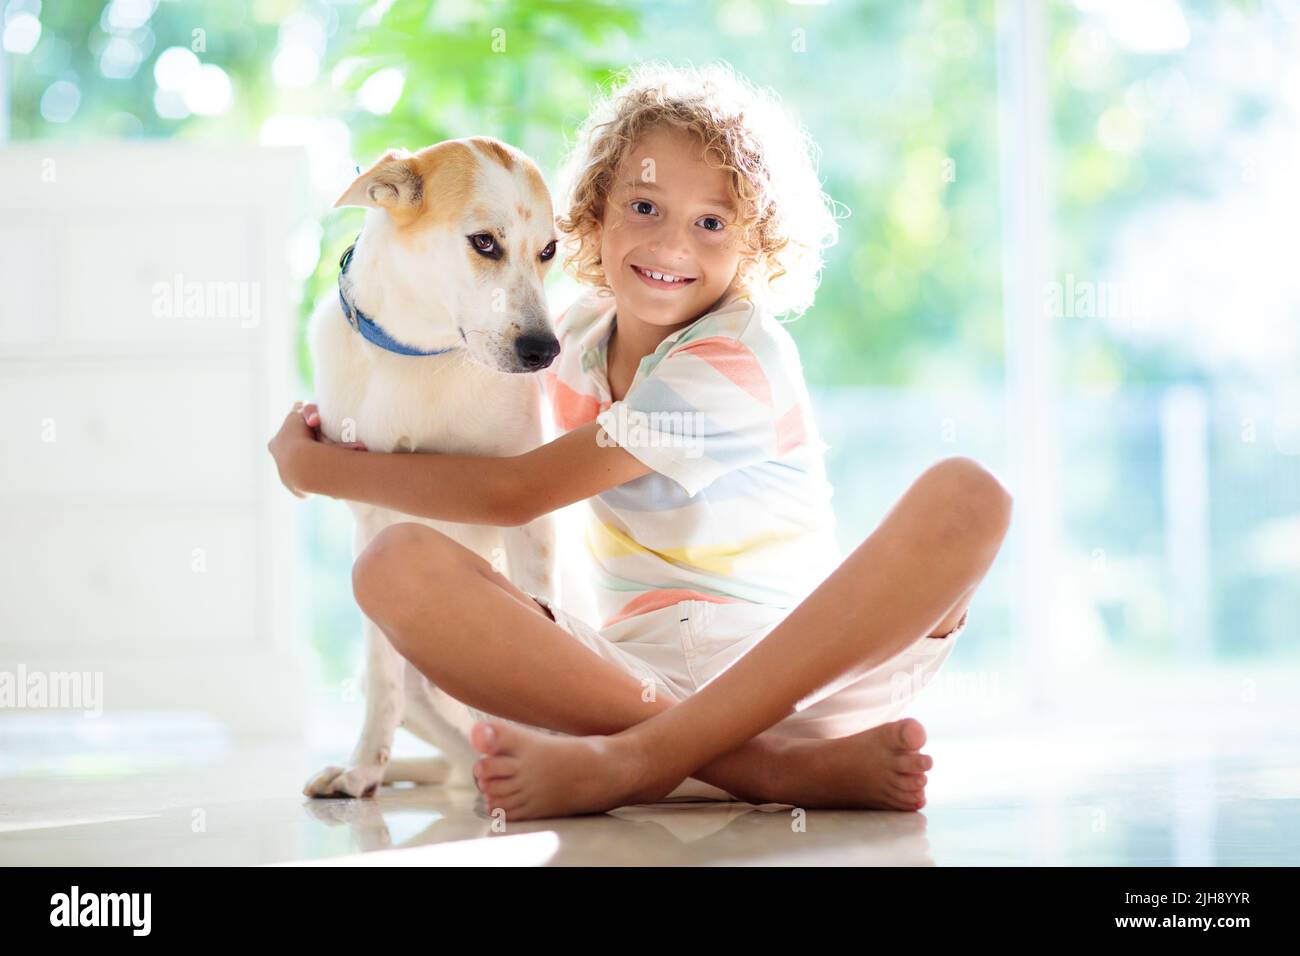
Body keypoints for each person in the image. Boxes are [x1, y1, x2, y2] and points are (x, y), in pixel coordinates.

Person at [268, 62, 1012, 821]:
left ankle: (638, 764)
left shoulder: (734, 359)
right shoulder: (575, 336)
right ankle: (767, 770)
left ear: (756, 245)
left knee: (970, 495)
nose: (673, 244)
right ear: (590, 216)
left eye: (712, 223)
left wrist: (317, 467)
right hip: (626, 683)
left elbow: (514, 495)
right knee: (391, 566)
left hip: (800, 673)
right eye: (645, 206)